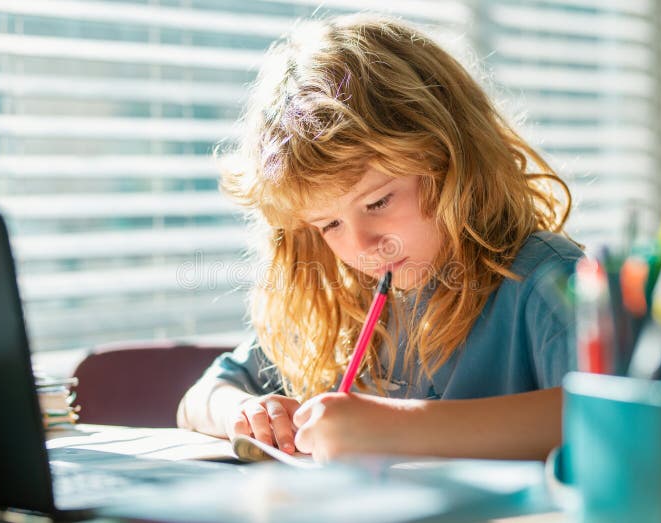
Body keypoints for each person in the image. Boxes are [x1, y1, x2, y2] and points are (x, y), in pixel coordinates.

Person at [177, 14, 584, 462]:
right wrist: (247, 411)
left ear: (452, 160)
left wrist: (394, 426)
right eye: (330, 224)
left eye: (377, 203)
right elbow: (201, 398)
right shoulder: (337, 301)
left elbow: (613, 416)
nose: (362, 246)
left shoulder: (546, 280)